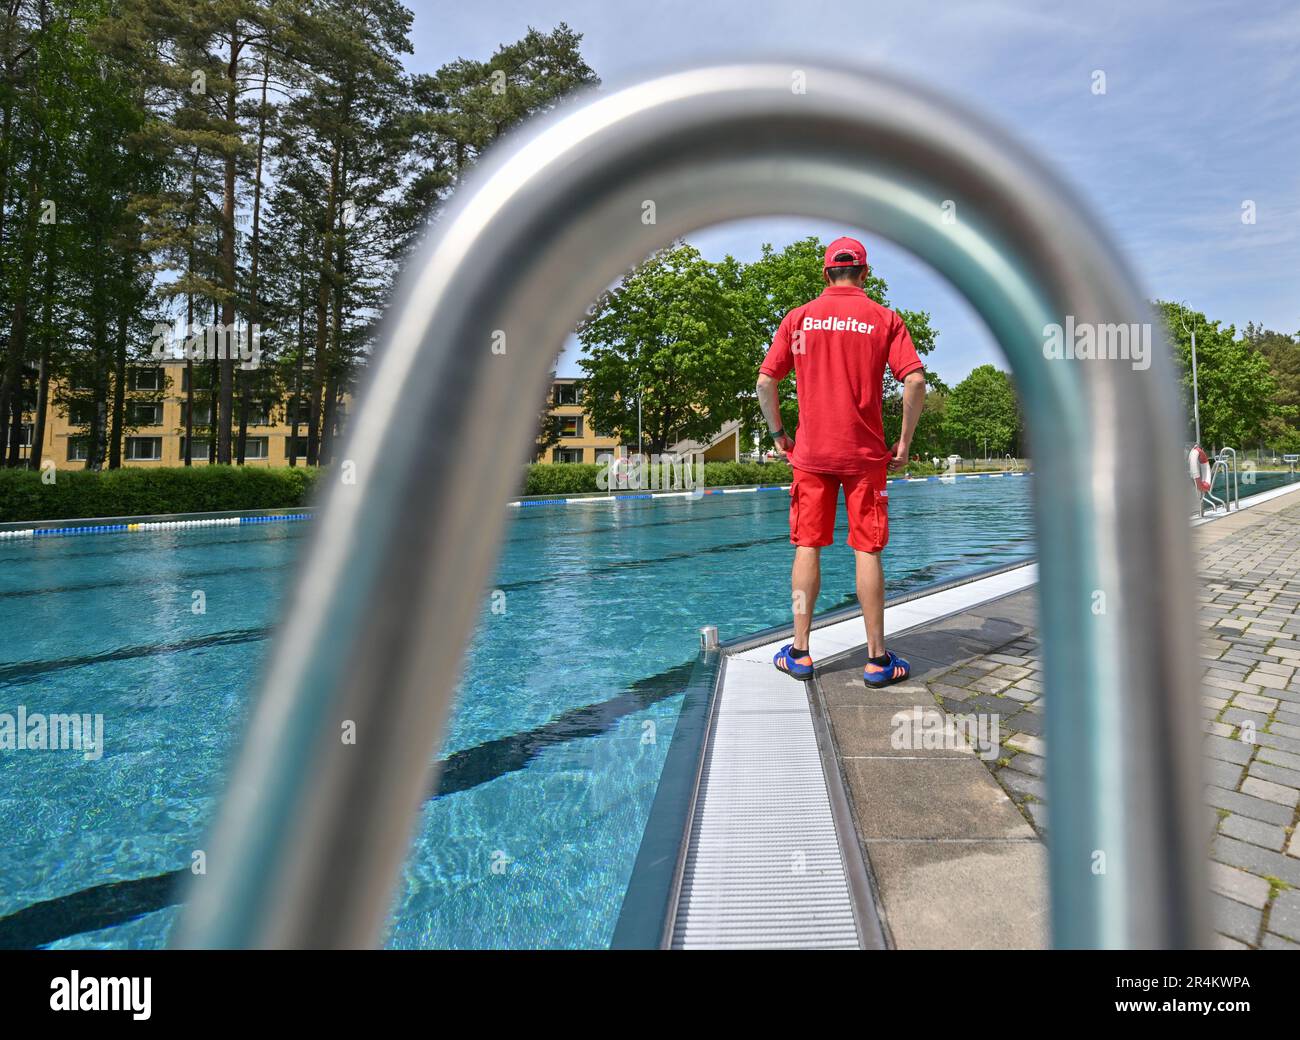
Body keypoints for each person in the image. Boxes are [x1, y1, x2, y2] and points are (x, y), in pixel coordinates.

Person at [755, 236, 927, 687]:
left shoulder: (799, 319)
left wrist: (778, 436)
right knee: (866, 550)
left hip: (810, 455)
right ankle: (876, 660)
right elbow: (915, 381)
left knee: (807, 546)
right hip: (865, 454)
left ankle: (799, 652)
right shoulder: (884, 319)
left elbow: (765, 383)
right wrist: (904, 442)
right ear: (865, 274)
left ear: (825, 273)